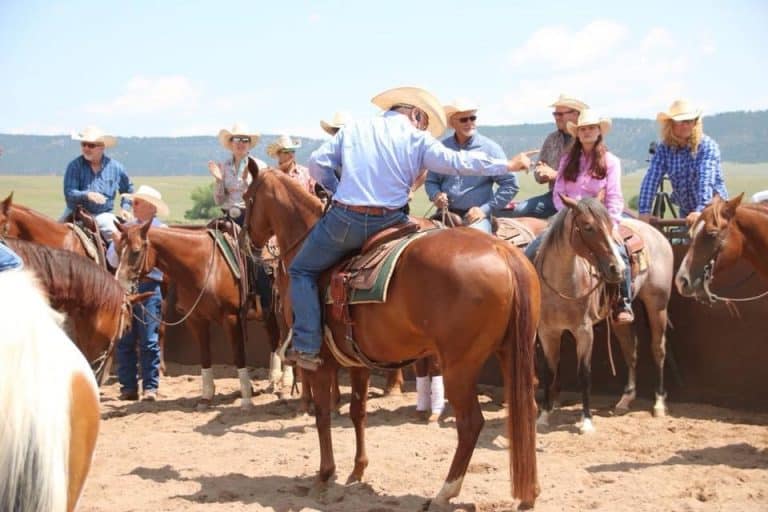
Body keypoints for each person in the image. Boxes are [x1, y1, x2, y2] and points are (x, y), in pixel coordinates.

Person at [287, 86, 537, 370]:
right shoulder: (416, 139)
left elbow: (318, 163)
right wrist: (508, 164)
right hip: (391, 222)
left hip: (346, 220)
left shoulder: (353, 130)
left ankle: (307, 345)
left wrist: (336, 189)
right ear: (416, 114)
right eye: (426, 122)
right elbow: (457, 162)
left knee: (301, 269)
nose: (425, 128)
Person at [539, 110, 634, 324]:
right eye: (583, 129)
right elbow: (558, 192)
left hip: (599, 220)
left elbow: (615, 196)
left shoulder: (611, 161)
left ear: (599, 132)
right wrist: (564, 215)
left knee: (619, 252)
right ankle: (532, 297)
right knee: (535, 248)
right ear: (578, 133)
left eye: (591, 128)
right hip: (567, 217)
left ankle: (622, 302)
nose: (587, 132)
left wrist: (613, 225)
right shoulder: (567, 160)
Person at [107, 185, 169, 401]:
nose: (133, 206)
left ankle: (150, 387)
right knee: (125, 340)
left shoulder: (162, 231)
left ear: (151, 207)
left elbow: (165, 266)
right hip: (126, 287)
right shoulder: (126, 229)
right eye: (134, 202)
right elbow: (113, 261)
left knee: (148, 339)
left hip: (149, 286)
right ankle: (129, 387)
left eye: (138, 202)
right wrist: (116, 247)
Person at [425, 98, 519, 233]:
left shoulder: (491, 149)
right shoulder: (442, 148)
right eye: (464, 120)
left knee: (476, 242)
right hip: (444, 215)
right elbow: (431, 181)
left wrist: (484, 209)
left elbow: (510, 184)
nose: (469, 123)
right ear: (453, 123)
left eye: (472, 118)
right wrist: (436, 195)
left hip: (476, 218)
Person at [638, 99, 728, 225]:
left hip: (715, 210)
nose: (685, 125)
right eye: (681, 121)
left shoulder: (707, 146)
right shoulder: (664, 149)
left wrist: (701, 209)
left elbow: (706, 180)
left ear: (695, 123)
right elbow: (651, 179)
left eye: (689, 121)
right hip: (686, 212)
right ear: (671, 124)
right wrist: (644, 212)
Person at [499, 93, 588, 219]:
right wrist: (540, 174)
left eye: (560, 114)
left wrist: (555, 175)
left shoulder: (586, 140)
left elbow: (588, 178)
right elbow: (538, 171)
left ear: (576, 114)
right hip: (555, 196)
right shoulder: (552, 139)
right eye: (555, 114)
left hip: (583, 199)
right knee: (520, 211)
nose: (556, 118)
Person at [62, 126, 134, 240]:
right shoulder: (74, 166)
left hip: (103, 215)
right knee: (53, 237)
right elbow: (69, 192)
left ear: (102, 147)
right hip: (75, 213)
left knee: (116, 238)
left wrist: (125, 208)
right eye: (83, 144)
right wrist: (87, 195)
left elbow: (128, 191)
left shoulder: (116, 168)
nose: (86, 148)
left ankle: (111, 258)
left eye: (91, 145)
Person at [208, 123, 267, 226]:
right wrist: (218, 181)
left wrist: (248, 183)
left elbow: (264, 197)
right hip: (229, 217)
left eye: (245, 140)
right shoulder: (223, 166)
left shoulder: (260, 166)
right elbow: (219, 201)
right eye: (237, 139)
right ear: (231, 143)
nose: (241, 143)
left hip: (253, 218)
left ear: (249, 144)